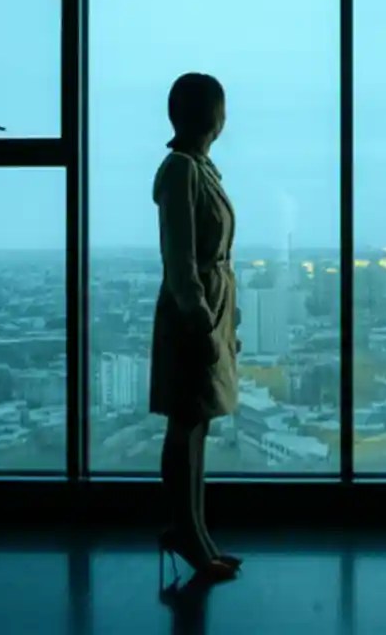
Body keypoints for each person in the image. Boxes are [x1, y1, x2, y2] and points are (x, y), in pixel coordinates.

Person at [151, 72, 241, 584]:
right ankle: (187, 532)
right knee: (186, 426)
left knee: (196, 425)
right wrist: (206, 327)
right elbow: (181, 265)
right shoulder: (181, 171)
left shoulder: (200, 169)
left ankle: (195, 532)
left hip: (208, 308)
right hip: (193, 314)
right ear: (212, 115)